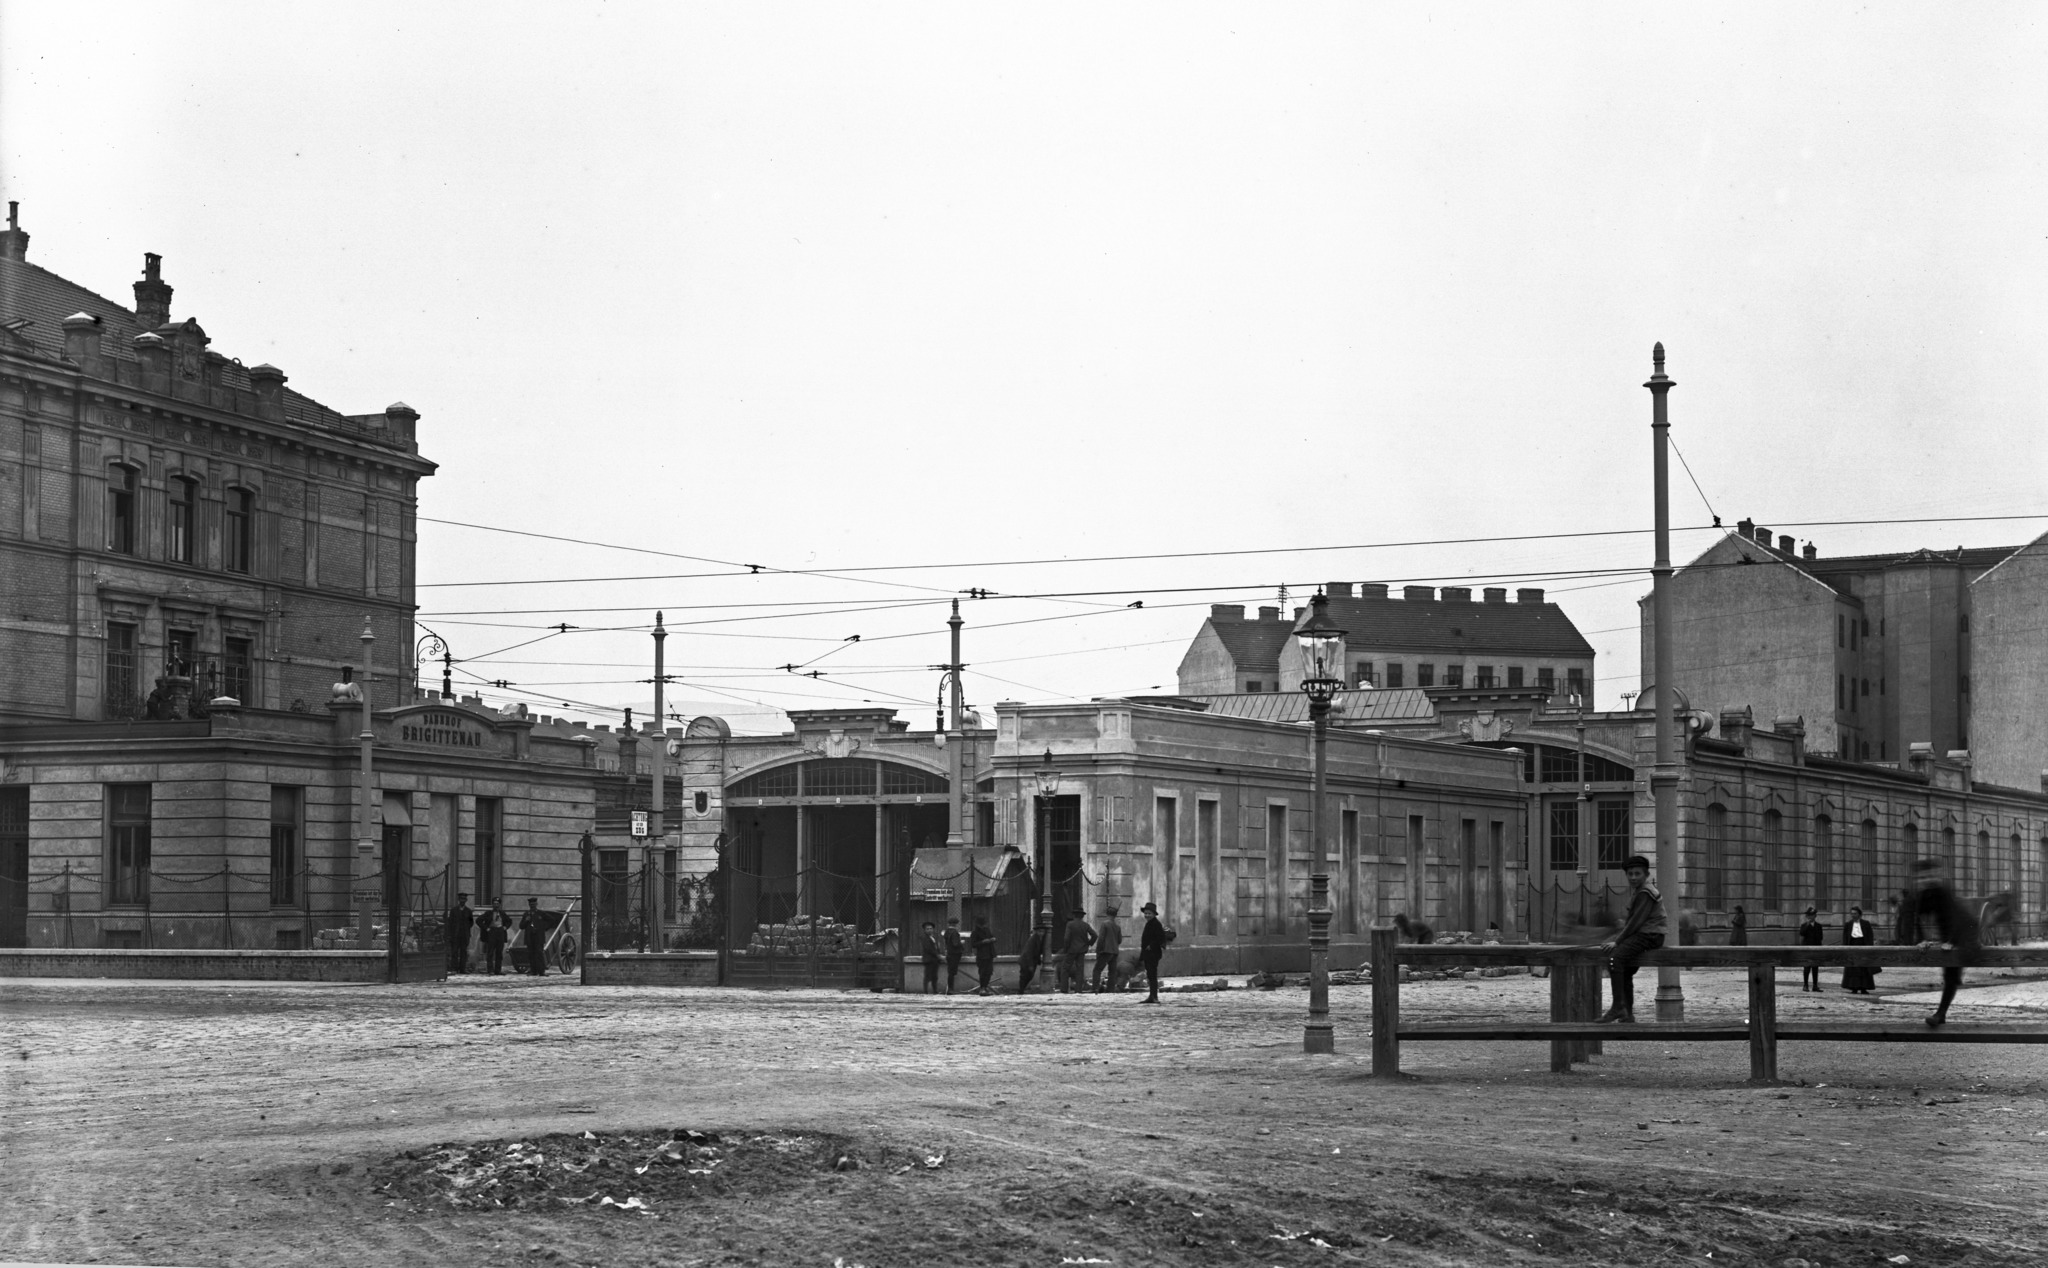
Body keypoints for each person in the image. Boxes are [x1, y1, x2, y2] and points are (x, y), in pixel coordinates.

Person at [1595, 855, 1664, 1024]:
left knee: (1614, 959)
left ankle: (1618, 1007)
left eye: (1637, 874)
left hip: (1650, 935)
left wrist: (1617, 942)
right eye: (1630, 874)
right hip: (1647, 934)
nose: (1633, 877)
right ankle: (1627, 1014)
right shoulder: (1641, 891)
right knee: (1624, 969)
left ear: (1646, 875)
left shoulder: (1645, 892)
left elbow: (1636, 921)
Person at [1912, 858, 1980, 1028]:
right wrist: (1921, 940)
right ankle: (1940, 1014)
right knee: (1949, 973)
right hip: (1948, 931)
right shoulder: (1923, 895)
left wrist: (1951, 942)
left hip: (1965, 929)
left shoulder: (1944, 891)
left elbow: (1955, 918)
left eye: (1928, 876)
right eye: (1921, 877)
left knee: (1952, 972)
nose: (1925, 880)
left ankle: (1940, 1014)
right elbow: (1916, 917)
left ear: (1935, 875)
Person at [1842, 904, 1880, 994]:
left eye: (1855, 913)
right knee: (1853, 968)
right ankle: (1853, 987)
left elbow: (1870, 936)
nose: (1853, 915)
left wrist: (1869, 948)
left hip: (1863, 946)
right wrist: (1845, 948)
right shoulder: (1848, 925)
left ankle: (1864, 987)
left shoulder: (1865, 924)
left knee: (1863, 968)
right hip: (1852, 946)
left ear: (1859, 914)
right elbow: (1845, 937)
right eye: (1852, 913)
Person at [1138, 900, 1170, 1003]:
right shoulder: (1149, 923)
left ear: (1153, 914)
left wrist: (1151, 946)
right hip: (1148, 954)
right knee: (1150, 975)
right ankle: (1151, 996)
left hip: (1153, 954)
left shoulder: (1156, 924)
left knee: (1152, 975)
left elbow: (1160, 938)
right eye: (1146, 913)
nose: (1147, 915)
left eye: (1149, 913)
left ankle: (1154, 997)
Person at [1060, 909, 1097, 993]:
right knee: (1080, 970)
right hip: (1081, 950)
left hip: (1071, 950)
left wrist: (1066, 948)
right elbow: (1095, 935)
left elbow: (1066, 938)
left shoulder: (1070, 924)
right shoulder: (1085, 925)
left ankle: (1064, 989)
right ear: (1082, 916)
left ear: (1074, 915)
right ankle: (1078, 990)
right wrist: (1089, 943)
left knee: (1065, 969)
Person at [1092, 904, 1124, 992]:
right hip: (1114, 952)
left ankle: (1095, 988)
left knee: (1097, 970)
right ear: (1115, 915)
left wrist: (1098, 950)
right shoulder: (1117, 927)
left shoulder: (1105, 924)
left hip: (1105, 951)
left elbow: (1101, 938)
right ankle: (1111, 989)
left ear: (1107, 913)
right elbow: (1119, 940)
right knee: (1112, 972)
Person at [445, 892, 476, 974]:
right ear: (458, 900)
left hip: (464, 935)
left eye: (464, 899)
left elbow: (471, 922)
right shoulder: (453, 910)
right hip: (455, 935)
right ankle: (454, 969)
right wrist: (451, 933)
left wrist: (466, 929)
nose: (462, 901)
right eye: (461, 899)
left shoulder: (468, 911)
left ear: (466, 900)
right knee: (454, 952)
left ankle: (462, 969)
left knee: (463, 952)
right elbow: (450, 922)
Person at [518, 898, 549, 977]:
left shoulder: (541, 913)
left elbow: (551, 920)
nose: (532, 906)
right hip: (530, 937)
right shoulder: (526, 914)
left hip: (538, 937)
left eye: (534, 904)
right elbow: (521, 926)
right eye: (531, 904)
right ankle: (533, 971)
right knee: (531, 954)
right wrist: (526, 921)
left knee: (539, 953)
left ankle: (541, 971)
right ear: (529, 905)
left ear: (536, 904)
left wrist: (544, 928)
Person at [1019, 915, 1049, 994]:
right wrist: (1030, 965)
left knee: (1029, 976)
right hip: (1027, 960)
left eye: (1043, 931)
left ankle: (1022, 989)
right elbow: (1028, 952)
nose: (1041, 933)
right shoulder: (1033, 939)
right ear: (1037, 931)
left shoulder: (1040, 939)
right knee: (1025, 975)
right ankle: (1021, 990)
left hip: (1032, 960)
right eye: (1040, 931)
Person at [478, 900, 509, 975]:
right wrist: (486, 928)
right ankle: (490, 970)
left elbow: (509, 921)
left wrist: (505, 927)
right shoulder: (488, 913)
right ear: (492, 905)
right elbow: (478, 920)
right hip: (492, 932)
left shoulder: (502, 913)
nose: (496, 905)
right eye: (494, 904)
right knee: (490, 952)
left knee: (499, 952)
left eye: (497, 904)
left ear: (500, 905)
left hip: (500, 932)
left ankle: (498, 970)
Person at [1797, 906, 1824, 990]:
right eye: (1808, 915)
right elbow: (1802, 933)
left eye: (1811, 915)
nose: (1810, 917)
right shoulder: (1804, 925)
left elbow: (1820, 937)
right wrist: (1808, 925)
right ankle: (1805, 985)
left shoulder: (1819, 926)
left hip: (1816, 949)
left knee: (1815, 967)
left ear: (1815, 916)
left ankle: (1815, 985)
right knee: (1807, 967)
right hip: (1807, 949)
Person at [970, 916, 997, 995]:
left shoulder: (987, 930)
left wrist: (993, 939)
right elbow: (973, 944)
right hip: (982, 955)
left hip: (989, 954)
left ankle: (985, 987)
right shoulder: (975, 932)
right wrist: (983, 942)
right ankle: (982, 988)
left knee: (989, 972)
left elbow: (992, 936)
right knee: (983, 972)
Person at [942, 916, 966, 995]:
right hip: (955, 954)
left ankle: (949, 988)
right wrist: (961, 943)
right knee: (952, 972)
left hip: (949, 953)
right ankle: (950, 989)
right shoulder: (955, 932)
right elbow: (955, 944)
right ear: (956, 924)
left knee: (950, 972)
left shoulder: (947, 931)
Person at [919, 921, 943, 995]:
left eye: (931, 928)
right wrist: (937, 955)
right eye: (927, 929)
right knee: (927, 976)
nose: (929, 930)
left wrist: (938, 954)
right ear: (925, 930)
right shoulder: (924, 938)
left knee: (934, 976)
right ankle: (925, 991)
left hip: (935, 960)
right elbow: (928, 948)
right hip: (929, 959)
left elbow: (936, 947)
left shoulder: (933, 938)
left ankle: (935, 990)